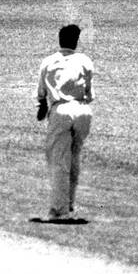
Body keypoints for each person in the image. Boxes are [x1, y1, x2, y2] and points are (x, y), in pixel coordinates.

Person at [35, 23, 95, 220]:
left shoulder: (49, 61)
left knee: (59, 161)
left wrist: (43, 108)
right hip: (83, 111)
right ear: (76, 41)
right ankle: (68, 205)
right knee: (74, 158)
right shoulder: (85, 61)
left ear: (60, 40)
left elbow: (41, 94)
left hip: (61, 110)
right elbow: (89, 94)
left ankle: (58, 211)